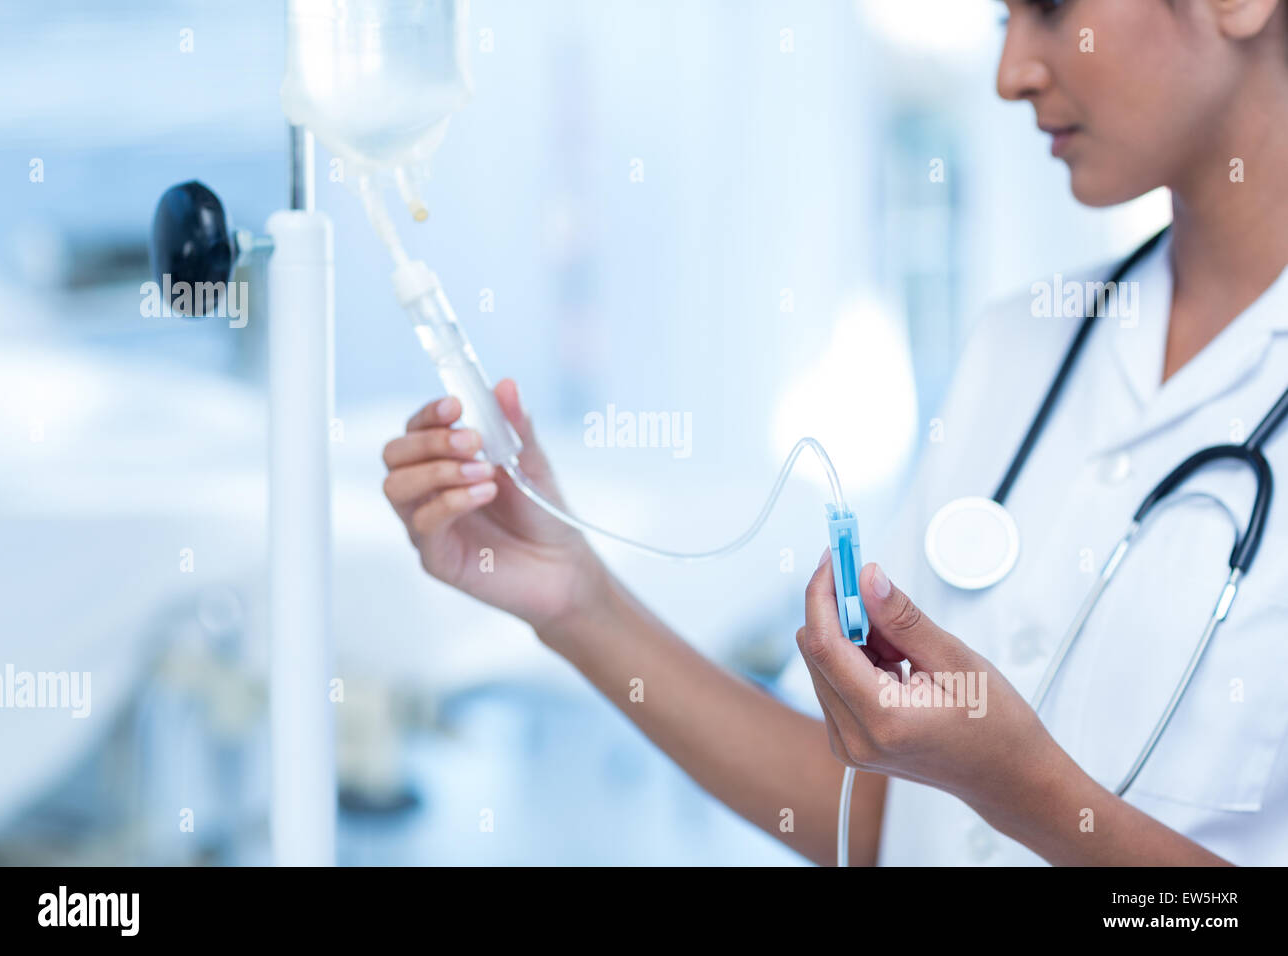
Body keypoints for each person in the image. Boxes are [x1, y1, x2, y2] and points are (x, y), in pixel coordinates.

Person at [381, 0, 1288, 865]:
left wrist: (1027, 792)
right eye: (1001, 20)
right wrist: (578, 603)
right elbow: (887, 822)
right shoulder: (1023, 347)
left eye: (1052, 8)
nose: (1011, 74)